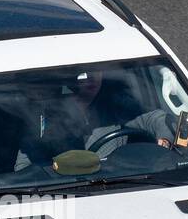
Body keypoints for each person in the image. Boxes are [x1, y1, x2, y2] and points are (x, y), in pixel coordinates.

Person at [15, 69, 173, 170]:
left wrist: (165, 138)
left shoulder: (114, 104)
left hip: (121, 183)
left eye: (96, 70)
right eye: (82, 72)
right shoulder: (46, 115)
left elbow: (154, 118)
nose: (91, 77)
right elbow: (25, 166)